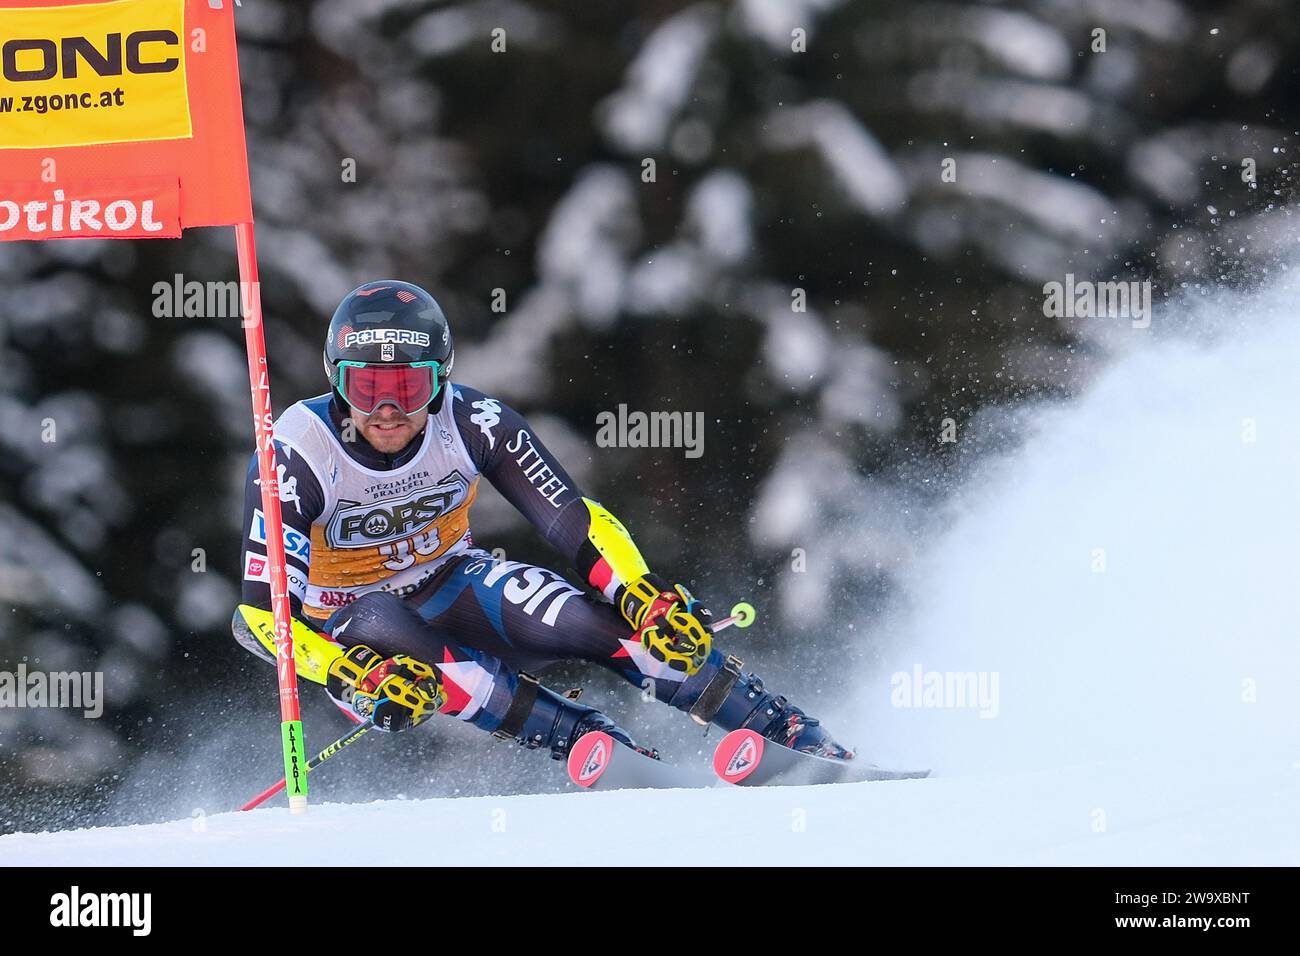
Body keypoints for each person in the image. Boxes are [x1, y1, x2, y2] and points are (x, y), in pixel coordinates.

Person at [232, 280, 852, 765]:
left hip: (452, 582)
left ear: (442, 378)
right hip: (356, 637)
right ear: (335, 382)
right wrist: (350, 673)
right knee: (422, 647)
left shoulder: (474, 420)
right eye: (366, 388)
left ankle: (782, 728)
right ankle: (584, 739)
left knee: (601, 623)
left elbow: (571, 519)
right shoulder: (299, 450)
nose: (388, 410)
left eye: (411, 387)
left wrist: (638, 594)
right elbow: (261, 616)